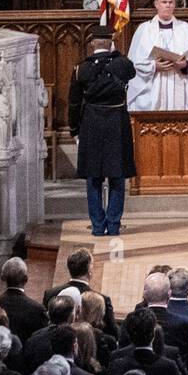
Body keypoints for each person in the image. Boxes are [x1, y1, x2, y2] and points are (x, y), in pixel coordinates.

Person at [68, 26, 137, 237]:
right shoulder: (123, 64)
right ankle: (114, 224)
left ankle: (98, 226)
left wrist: (74, 130)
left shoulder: (82, 68)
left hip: (91, 125)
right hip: (117, 123)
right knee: (117, 176)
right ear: (111, 42)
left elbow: (73, 103)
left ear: (91, 44)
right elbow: (131, 72)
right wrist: (115, 53)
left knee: (94, 177)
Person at [126, 0, 188, 111]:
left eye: (171, 2)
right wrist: (154, 66)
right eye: (164, 2)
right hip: (153, 87)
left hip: (180, 84)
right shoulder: (144, 30)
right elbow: (134, 62)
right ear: (156, 4)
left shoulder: (186, 29)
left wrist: (186, 65)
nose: (168, 5)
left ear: (175, 4)